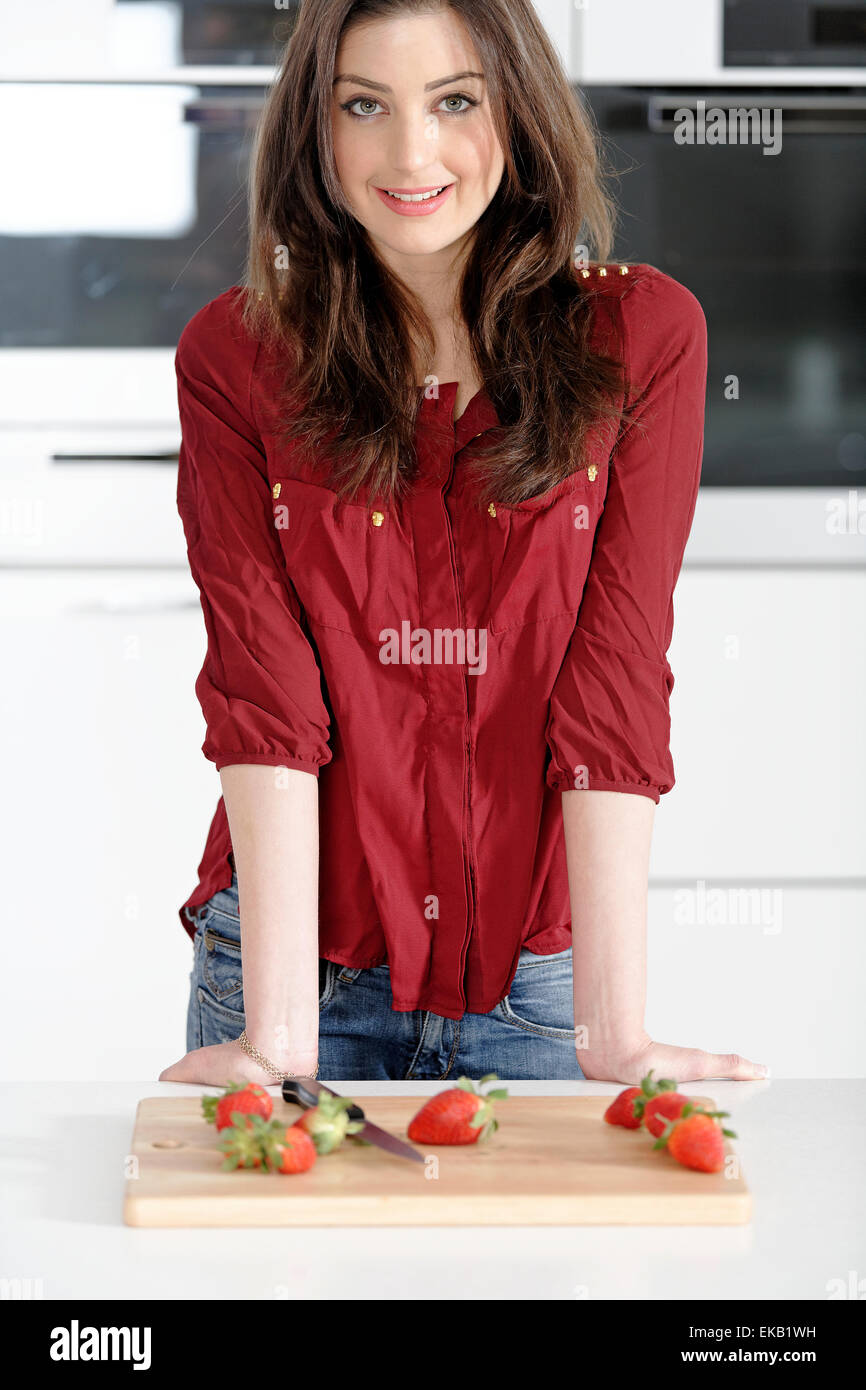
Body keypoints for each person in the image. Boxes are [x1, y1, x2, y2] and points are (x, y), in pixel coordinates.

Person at [160, 0, 767, 1085]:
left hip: (540, 991)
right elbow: (264, 691)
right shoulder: (238, 356)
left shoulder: (640, 336)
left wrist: (612, 1031)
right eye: (363, 106)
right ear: (313, 129)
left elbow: (615, 674)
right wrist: (279, 1038)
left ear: (518, 113)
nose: (411, 154)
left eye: (454, 102)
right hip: (289, 973)